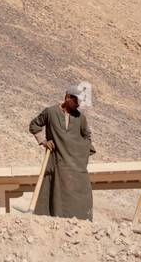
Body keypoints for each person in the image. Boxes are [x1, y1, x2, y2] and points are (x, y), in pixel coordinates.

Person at [29, 85, 96, 220]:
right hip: (56, 160)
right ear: (67, 97)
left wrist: (78, 150)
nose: (78, 104)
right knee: (54, 190)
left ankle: (80, 219)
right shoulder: (50, 112)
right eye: (76, 101)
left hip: (74, 164)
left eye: (80, 102)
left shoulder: (80, 118)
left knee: (80, 191)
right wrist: (43, 141)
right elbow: (34, 125)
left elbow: (87, 137)